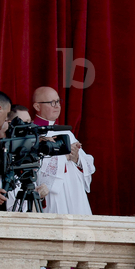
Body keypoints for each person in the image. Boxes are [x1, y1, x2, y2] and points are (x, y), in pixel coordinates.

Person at [31, 86, 94, 216]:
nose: (57, 106)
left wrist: (76, 158)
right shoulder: (32, 133)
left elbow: (86, 163)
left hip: (74, 191)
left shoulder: (65, 131)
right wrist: (64, 157)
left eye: (58, 101)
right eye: (51, 102)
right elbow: (37, 168)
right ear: (37, 106)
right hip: (53, 194)